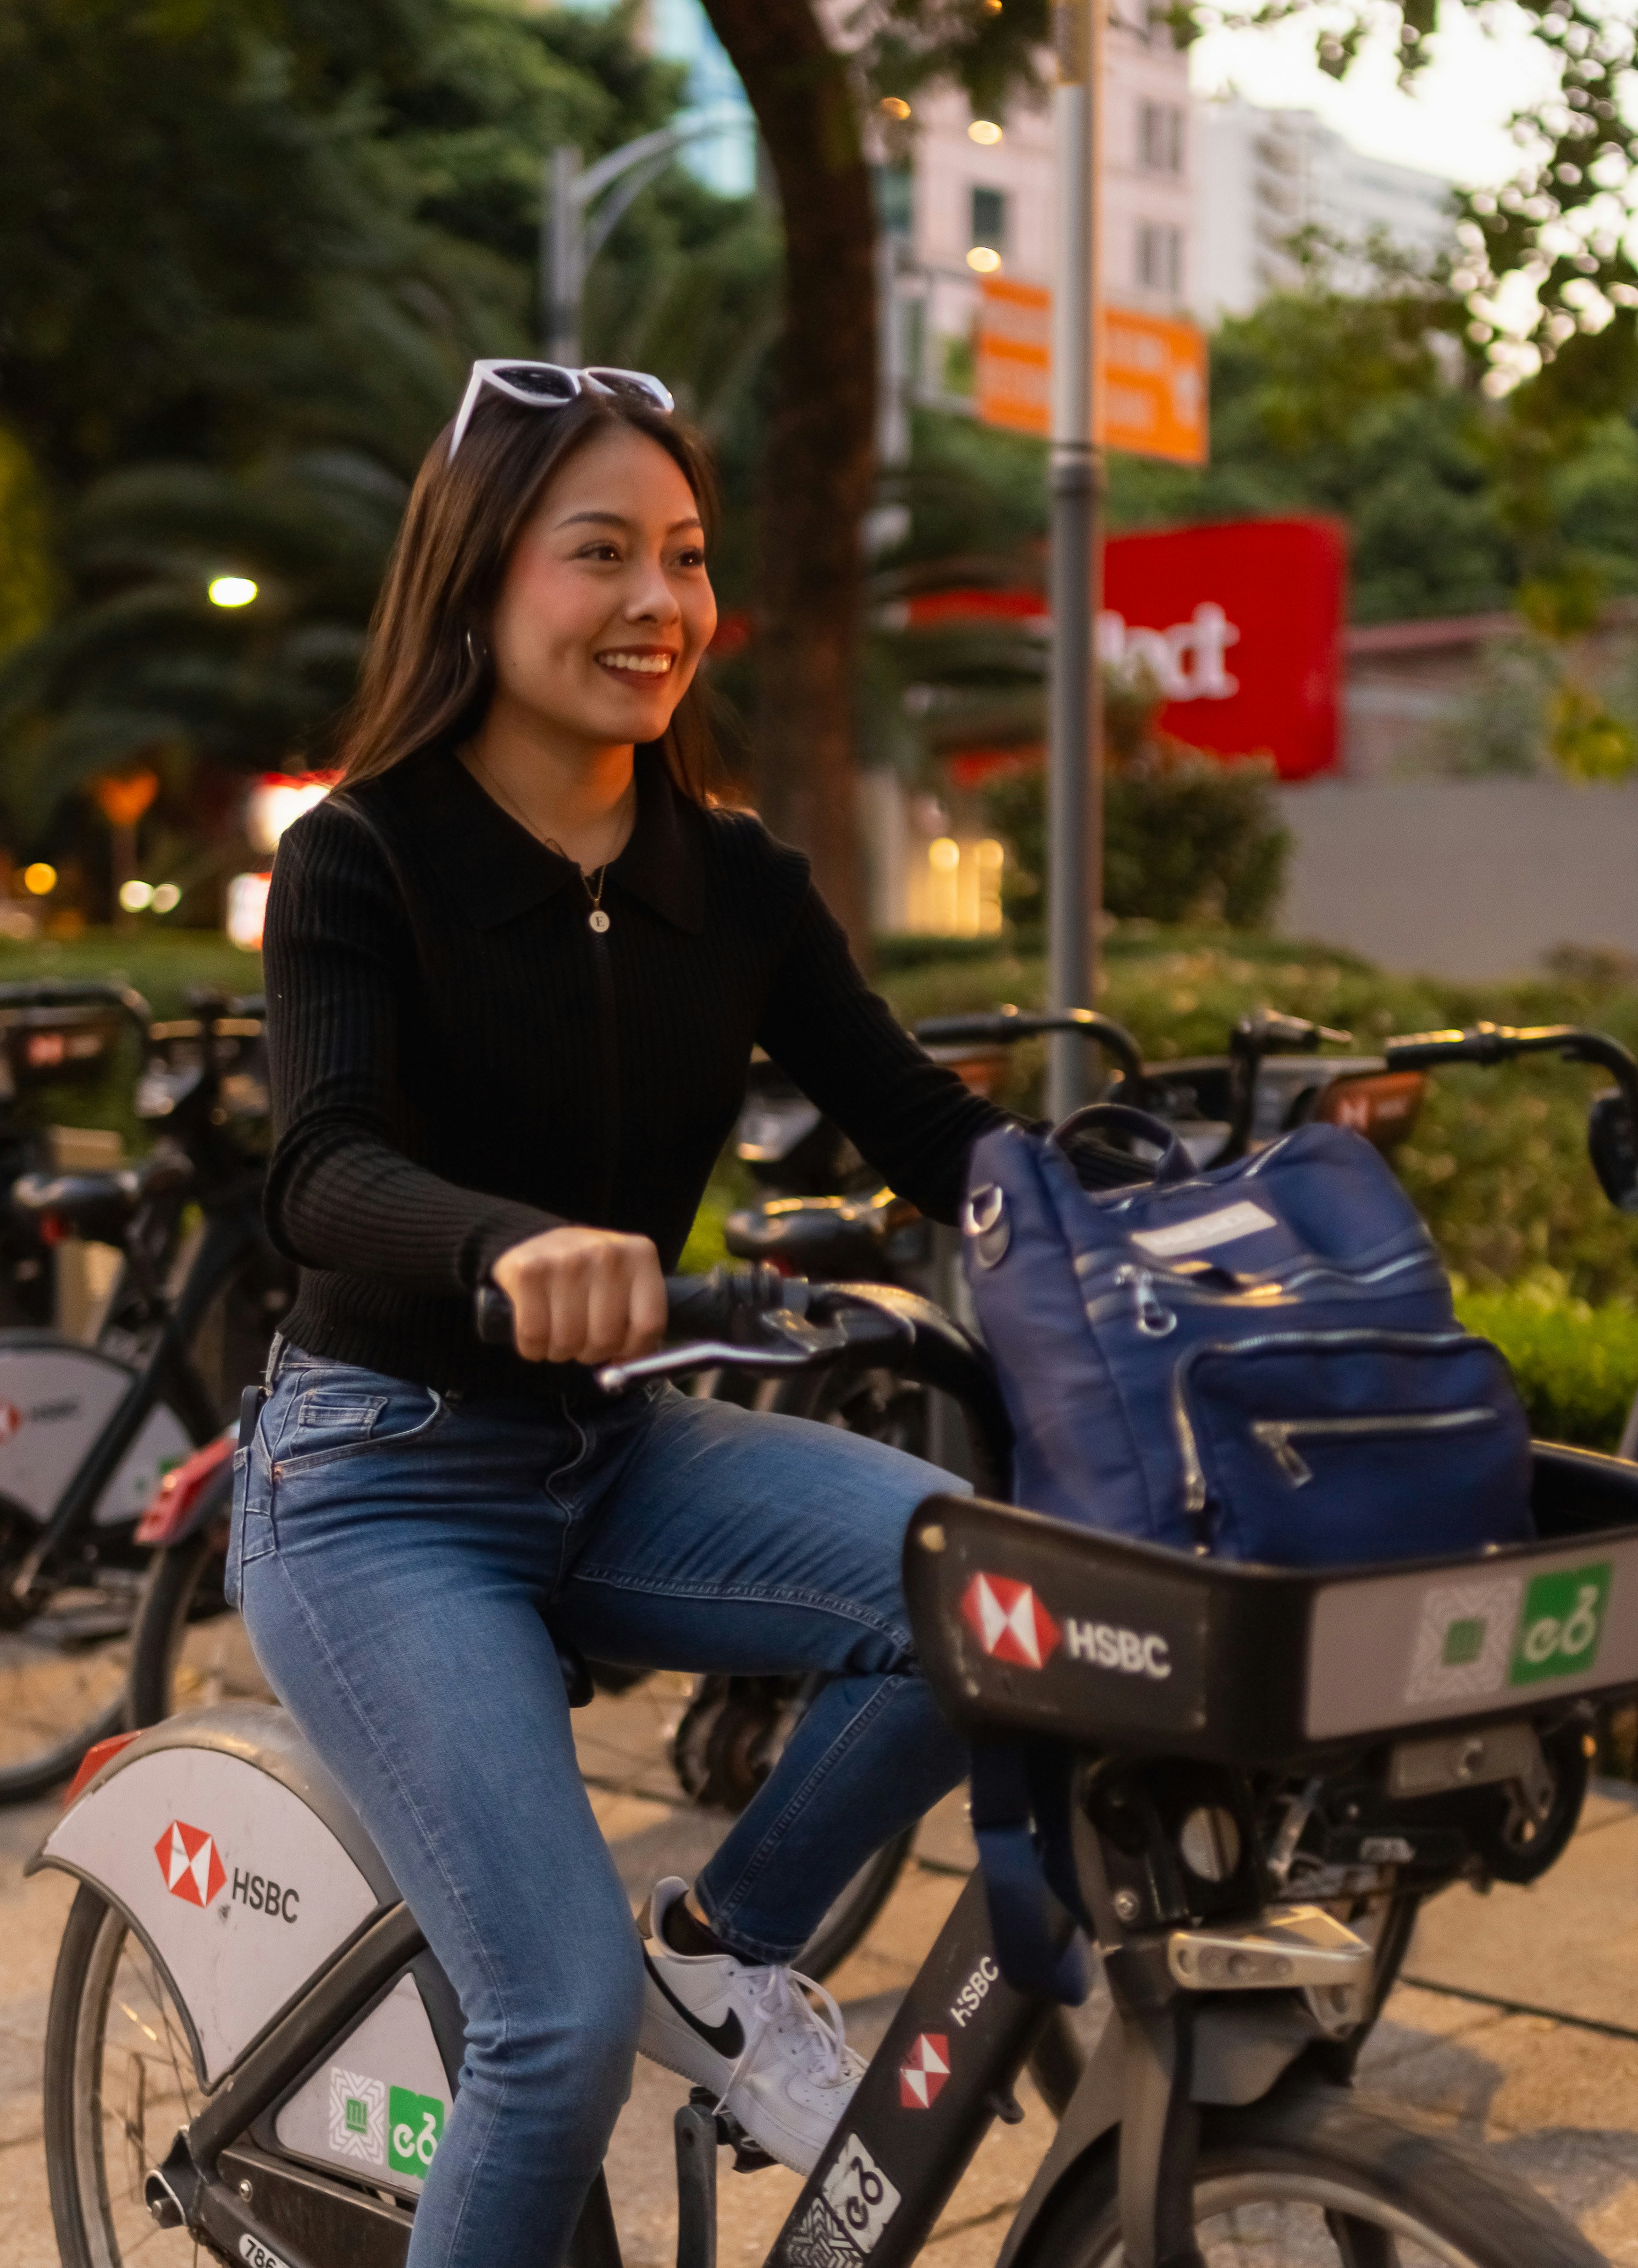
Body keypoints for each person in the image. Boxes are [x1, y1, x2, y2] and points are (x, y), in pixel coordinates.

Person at [235, 360, 1005, 2267]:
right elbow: (318, 1166)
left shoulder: (729, 877)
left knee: (978, 1594)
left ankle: (728, 1960)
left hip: (617, 1444)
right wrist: (503, 1242)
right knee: (550, 2030)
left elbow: (927, 1128)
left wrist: (1151, 1213)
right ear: (482, 578)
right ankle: (621, 2006)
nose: (659, 604)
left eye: (685, 555)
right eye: (601, 554)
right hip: (377, 1482)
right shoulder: (364, 853)